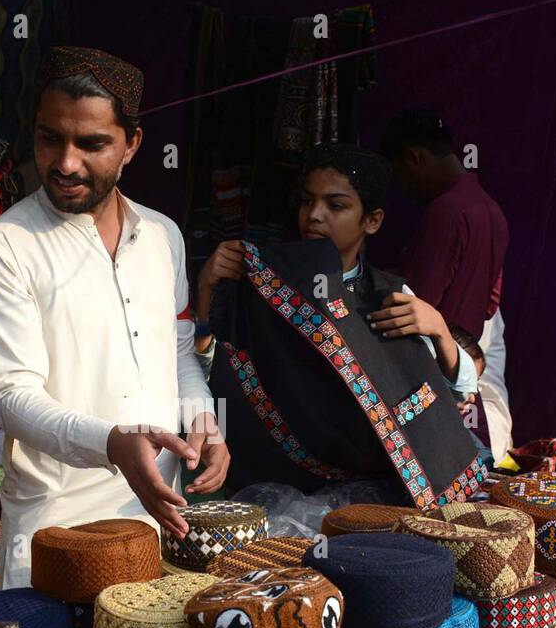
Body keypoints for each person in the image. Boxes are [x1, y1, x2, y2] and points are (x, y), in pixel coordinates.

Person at [0, 47, 228, 589]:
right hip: (57, 534)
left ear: (132, 144)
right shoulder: (5, 247)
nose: (65, 162)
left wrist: (203, 422)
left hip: (158, 524)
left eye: (91, 144)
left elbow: (178, 354)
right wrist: (113, 442)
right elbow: (11, 396)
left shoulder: (161, 235)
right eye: (49, 138)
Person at [193, 143, 478, 401]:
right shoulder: (259, 278)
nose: (315, 214)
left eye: (335, 205)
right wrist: (206, 289)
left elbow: (460, 393)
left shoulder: (386, 296)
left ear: (372, 220)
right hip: (263, 456)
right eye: (307, 201)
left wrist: (440, 330)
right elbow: (203, 370)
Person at [381, 108, 512, 458]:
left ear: (414, 158)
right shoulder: (491, 210)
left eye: (400, 174)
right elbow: (490, 304)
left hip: (434, 368)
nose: (403, 189)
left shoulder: (447, 212)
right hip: (464, 363)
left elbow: (413, 302)